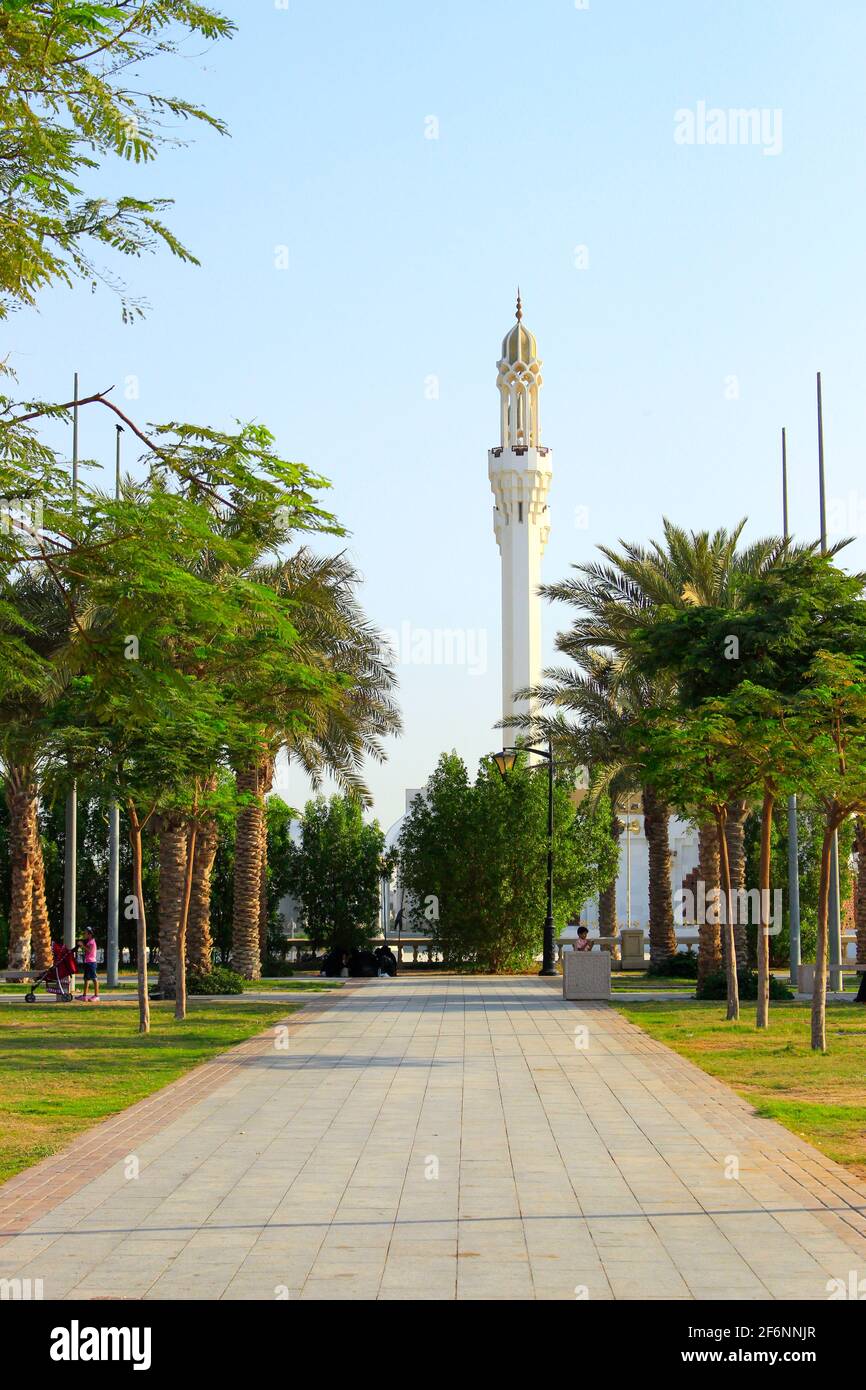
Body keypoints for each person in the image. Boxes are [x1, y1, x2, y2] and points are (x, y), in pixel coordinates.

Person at [80, 928, 100, 1001]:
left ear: (90, 934)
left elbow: (89, 950)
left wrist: (82, 945)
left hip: (91, 963)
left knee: (94, 979)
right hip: (87, 962)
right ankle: (84, 996)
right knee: (86, 979)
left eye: (85, 933)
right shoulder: (89, 942)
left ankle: (96, 996)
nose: (84, 934)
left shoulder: (92, 942)